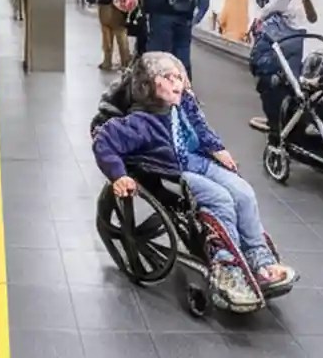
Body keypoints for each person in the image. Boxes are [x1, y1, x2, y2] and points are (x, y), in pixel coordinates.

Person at [93, 53, 297, 308]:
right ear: (147, 85)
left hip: (195, 160)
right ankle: (226, 265)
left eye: (179, 76)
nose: (178, 82)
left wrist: (217, 149)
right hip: (172, 170)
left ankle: (258, 255)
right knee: (220, 199)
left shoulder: (183, 104)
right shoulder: (141, 122)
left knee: (243, 191)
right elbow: (104, 140)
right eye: (169, 78)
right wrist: (119, 175)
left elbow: (201, 129)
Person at [249, 0, 314, 132]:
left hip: (277, 29)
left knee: (269, 77)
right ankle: (292, 122)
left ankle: (275, 122)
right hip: (298, 29)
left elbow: (275, 3)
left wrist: (258, 19)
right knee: (291, 79)